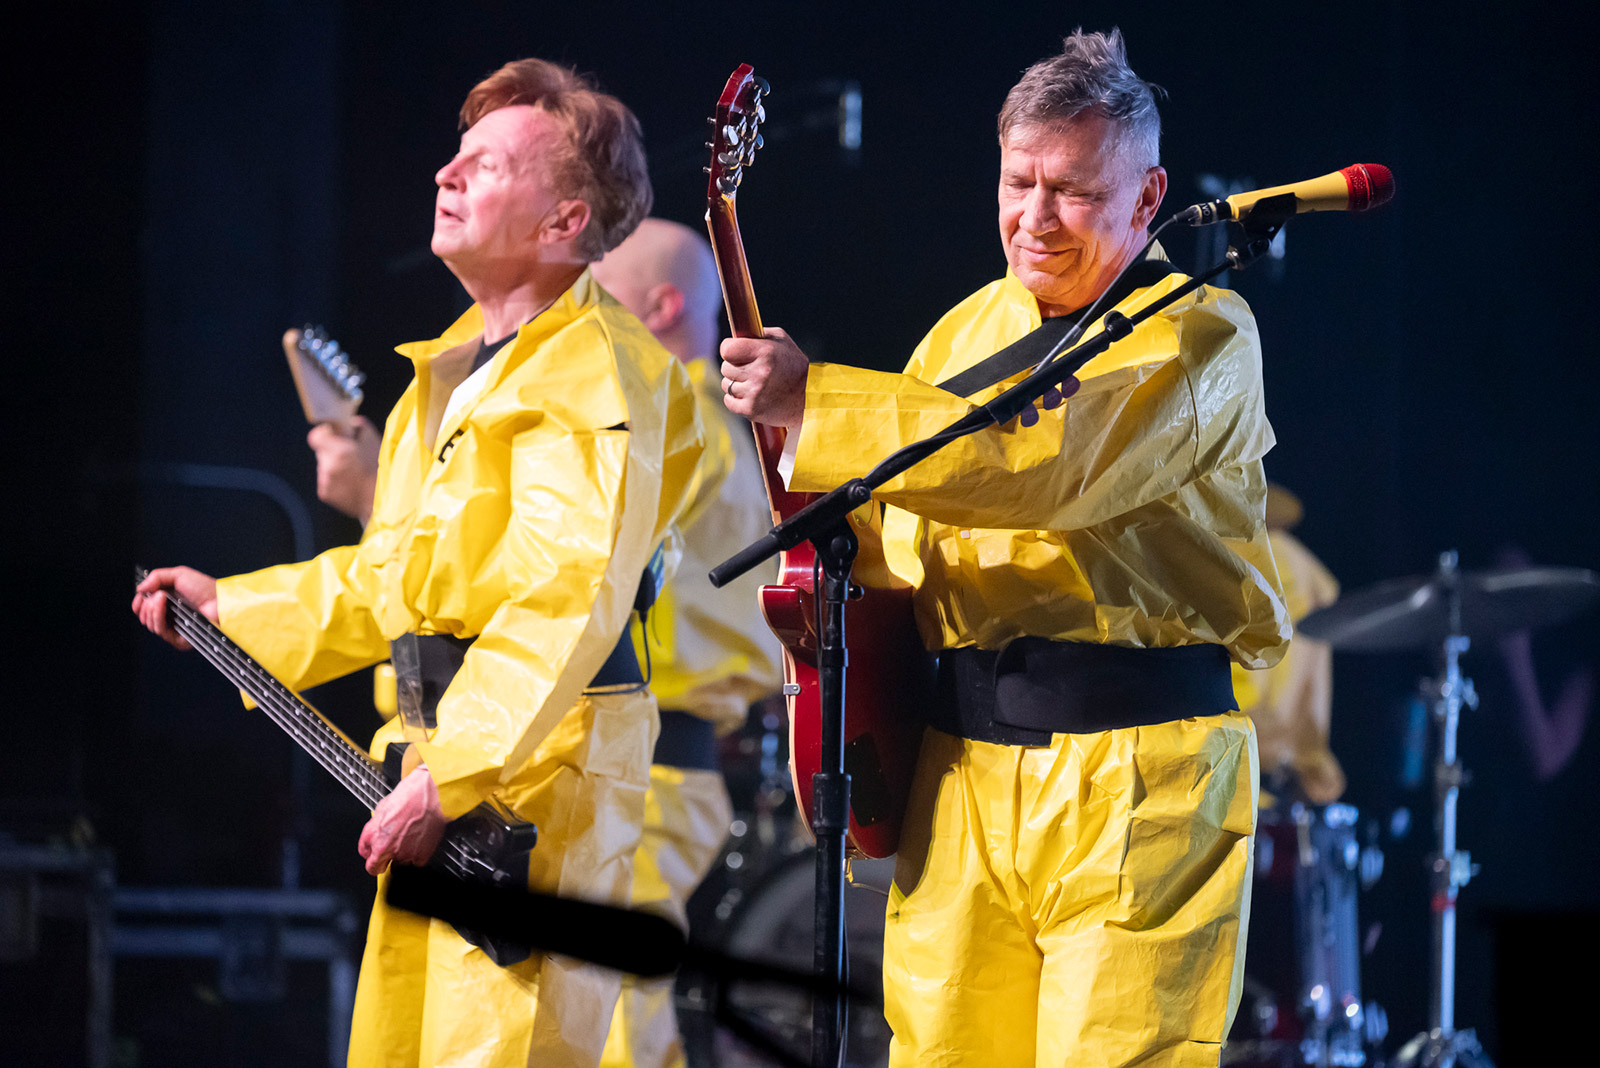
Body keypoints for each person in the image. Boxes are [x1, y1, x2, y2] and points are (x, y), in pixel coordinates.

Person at [720, 29, 1290, 1067]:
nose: (1034, 217)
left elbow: (1046, 472)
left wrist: (820, 401)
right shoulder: (964, 333)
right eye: (1017, 181)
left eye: (1072, 190)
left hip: (1136, 776)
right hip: (960, 775)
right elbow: (899, 544)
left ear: (1147, 195)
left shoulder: (1200, 335)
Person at [134, 58, 706, 1068]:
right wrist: (235, 608)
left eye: (484, 166)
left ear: (565, 221)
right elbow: (390, 578)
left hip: (533, 778)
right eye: (453, 156)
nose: (446, 174)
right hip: (443, 766)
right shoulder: (446, 373)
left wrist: (451, 770)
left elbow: (567, 590)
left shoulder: (591, 366)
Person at [310, 216, 784, 1068]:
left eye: (606, 293)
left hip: (626, 762)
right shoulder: (728, 436)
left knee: (621, 1036)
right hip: (657, 762)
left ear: (663, 305)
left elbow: (562, 569)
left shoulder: (666, 422)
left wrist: (379, 497)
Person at [1231, 483, 1346, 804]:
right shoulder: (1299, 564)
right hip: (1236, 751)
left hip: (1246, 754)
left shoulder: (1291, 562)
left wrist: (1309, 753)